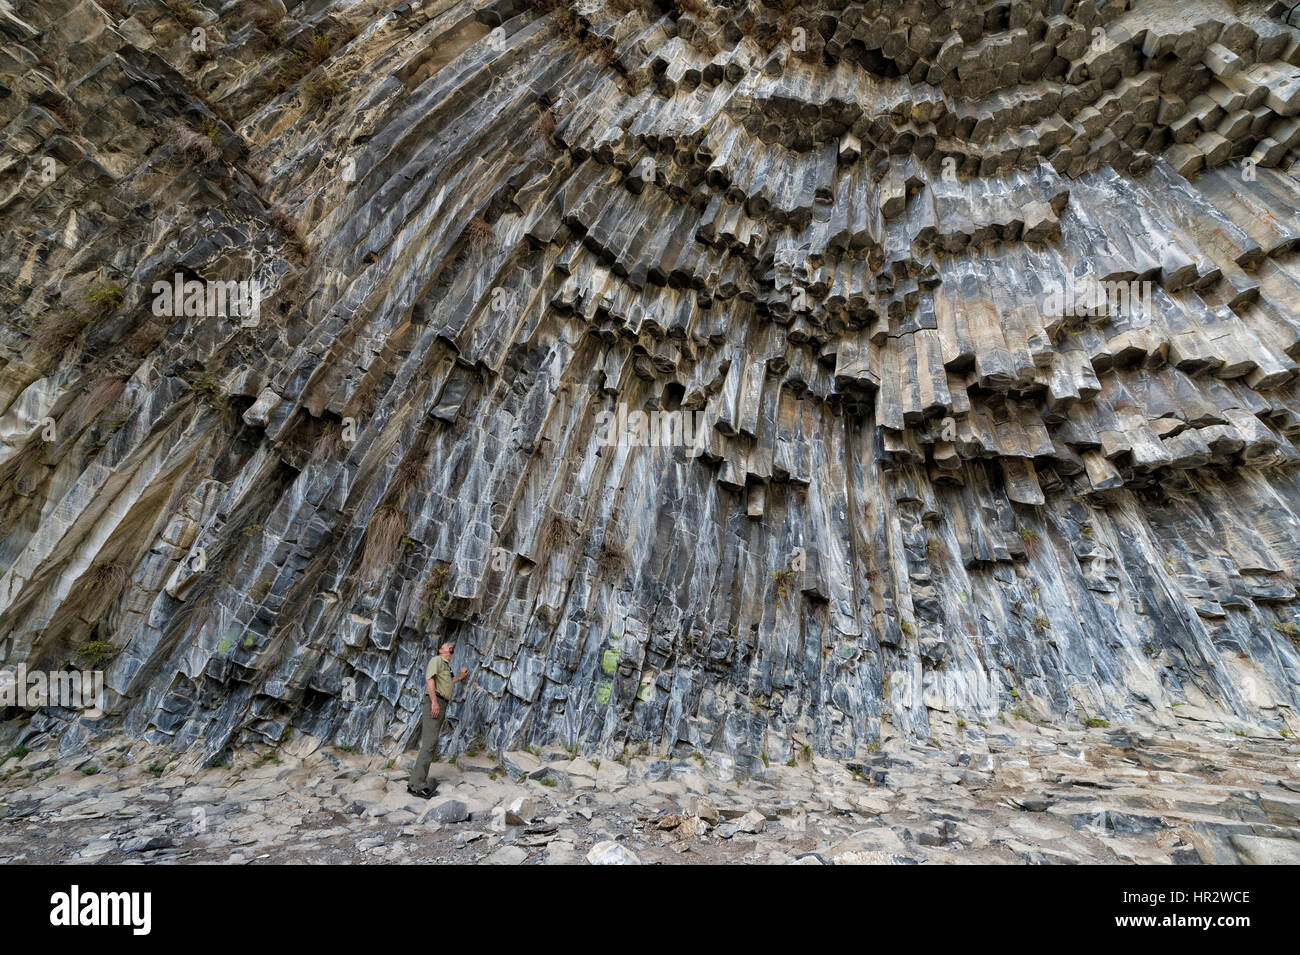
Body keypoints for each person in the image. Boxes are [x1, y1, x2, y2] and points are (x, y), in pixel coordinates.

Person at [407, 640, 469, 798]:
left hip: (441, 703)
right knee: (429, 744)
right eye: (445, 645)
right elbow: (430, 680)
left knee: (431, 743)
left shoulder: (446, 665)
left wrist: (460, 677)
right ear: (443, 650)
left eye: (448, 645)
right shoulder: (436, 660)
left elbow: (447, 682)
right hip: (435, 702)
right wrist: (434, 701)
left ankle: (413, 783)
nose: (448, 645)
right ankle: (418, 785)